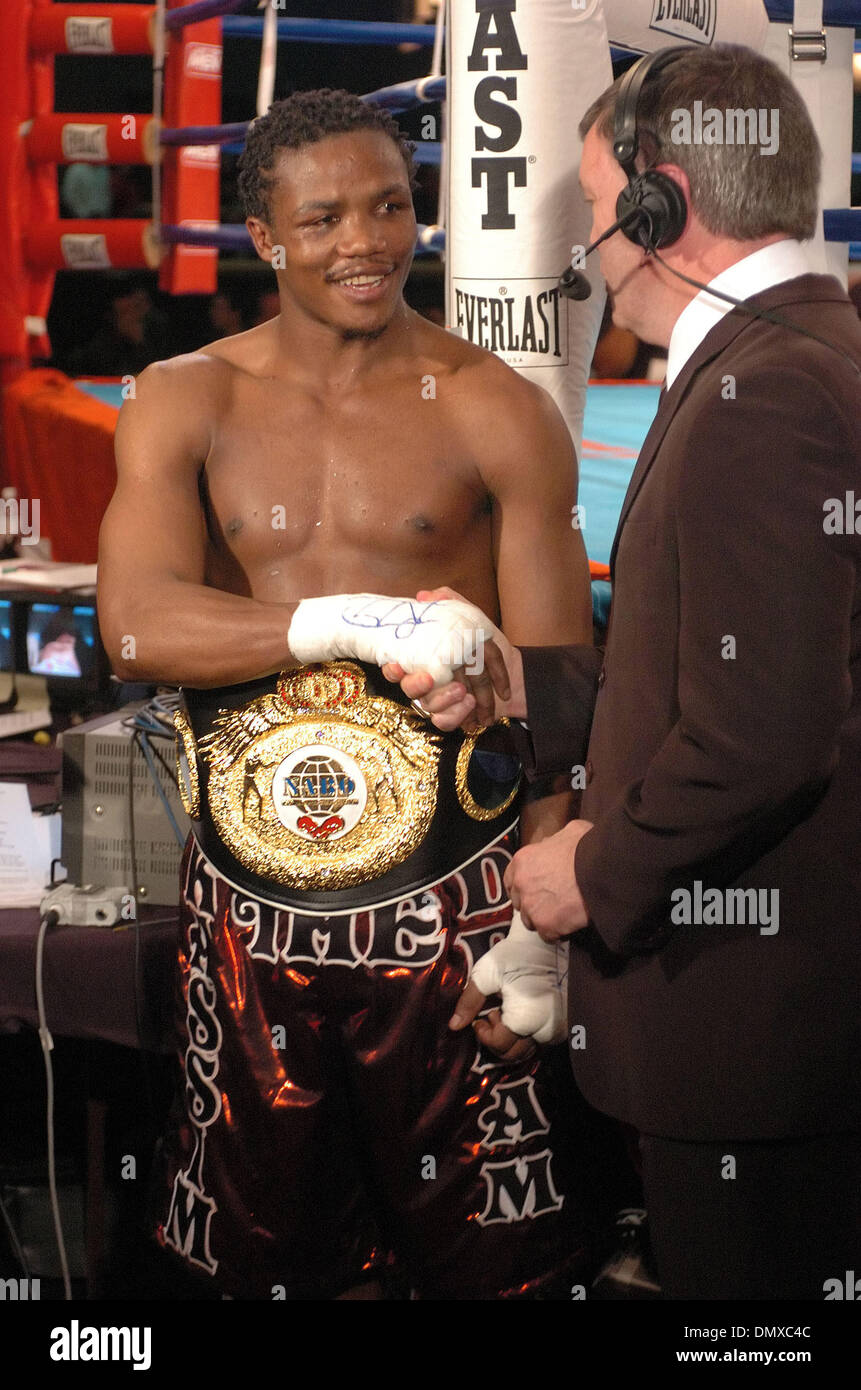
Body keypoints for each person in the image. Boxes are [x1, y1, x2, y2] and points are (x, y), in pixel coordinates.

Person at [97, 89, 626, 1300]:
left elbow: (560, 689)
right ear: (265, 237)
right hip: (248, 918)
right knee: (249, 1261)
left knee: (499, 1269)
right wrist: (339, 622)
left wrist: (539, 941)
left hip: (453, 912)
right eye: (325, 216)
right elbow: (131, 621)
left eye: (390, 205)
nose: (366, 241)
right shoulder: (186, 398)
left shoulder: (495, 406)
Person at [392, 44, 861, 1300]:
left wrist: (593, 870)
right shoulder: (796, 356)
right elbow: (725, 673)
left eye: (604, 211)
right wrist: (521, 686)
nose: (596, 245)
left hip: (761, 1039)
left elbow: (763, 731)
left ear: (661, 207)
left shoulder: (769, 390)